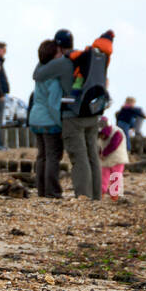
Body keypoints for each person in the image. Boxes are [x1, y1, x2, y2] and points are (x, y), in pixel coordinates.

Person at [34, 28, 113, 200]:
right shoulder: (86, 57)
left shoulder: (63, 62)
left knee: (79, 157)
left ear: (59, 46)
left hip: (73, 115)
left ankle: (84, 196)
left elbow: (38, 75)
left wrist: (46, 59)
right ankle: (96, 196)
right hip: (92, 113)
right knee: (93, 154)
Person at [29, 39, 64, 199]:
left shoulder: (39, 71)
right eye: (58, 52)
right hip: (48, 121)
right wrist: (60, 123)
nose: (61, 54)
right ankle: (52, 191)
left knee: (42, 156)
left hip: (35, 117)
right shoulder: (53, 78)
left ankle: (41, 190)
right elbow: (53, 104)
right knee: (53, 156)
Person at [97, 116, 129, 199]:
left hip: (117, 159)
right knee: (103, 177)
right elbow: (99, 146)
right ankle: (101, 193)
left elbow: (113, 145)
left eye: (102, 135)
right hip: (105, 160)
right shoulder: (99, 134)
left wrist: (104, 153)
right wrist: (100, 153)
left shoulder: (117, 132)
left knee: (116, 176)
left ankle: (114, 195)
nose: (101, 138)